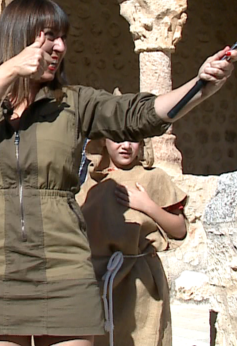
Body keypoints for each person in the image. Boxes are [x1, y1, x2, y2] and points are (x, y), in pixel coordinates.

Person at [0, 0, 237, 346]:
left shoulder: (75, 102)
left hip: (64, 264)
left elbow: (139, 114)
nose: (60, 46)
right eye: (49, 36)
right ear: (19, 38)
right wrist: (10, 69)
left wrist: (200, 85)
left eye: (64, 37)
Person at [76, 134, 187, 346]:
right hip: (99, 278)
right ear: (103, 142)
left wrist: (147, 205)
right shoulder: (90, 182)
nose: (125, 146)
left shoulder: (154, 178)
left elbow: (179, 230)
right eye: (117, 139)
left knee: (144, 336)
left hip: (141, 281)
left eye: (132, 139)